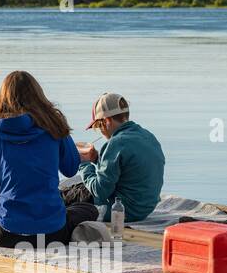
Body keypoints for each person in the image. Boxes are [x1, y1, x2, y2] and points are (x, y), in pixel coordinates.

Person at [0, 71, 99, 248]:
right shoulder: (55, 126)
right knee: (88, 209)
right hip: (52, 233)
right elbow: (70, 168)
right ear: (39, 96)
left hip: (7, 232)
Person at [61, 92, 165, 222]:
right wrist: (96, 159)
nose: (100, 130)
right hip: (144, 209)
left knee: (66, 196)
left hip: (119, 211)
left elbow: (99, 191)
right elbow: (125, 170)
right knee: (77, 189)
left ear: (106, 121)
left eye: (98, 126)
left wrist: (84, 163)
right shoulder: (148, 136)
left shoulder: (116, 143)